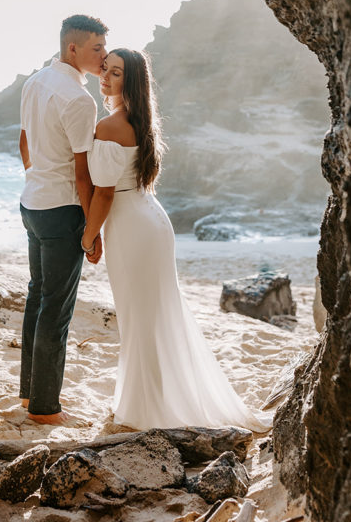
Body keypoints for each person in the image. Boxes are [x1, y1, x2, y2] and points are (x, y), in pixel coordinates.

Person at [81, 48, 273, 433]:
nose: (106, 77)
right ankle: (145, 401)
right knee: (153, 316)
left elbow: (102, 194)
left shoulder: (110, 126)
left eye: (116, 73)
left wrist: (88, 238)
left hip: (131, 226)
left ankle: (144, 409)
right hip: (148, 218)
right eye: (105, 69)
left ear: (131, 81)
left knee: (141, 318)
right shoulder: (141, 120)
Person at [18, 14, 108, 424]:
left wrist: (36, 179)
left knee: (38, 298)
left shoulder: (34, 82)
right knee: (56, 310)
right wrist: (92, 231)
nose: (103, 56)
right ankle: (45, 409)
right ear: (72, 48)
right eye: (96, 48)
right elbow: (82, 173)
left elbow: (24, 140)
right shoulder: (79, 99)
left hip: (33, 203)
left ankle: (28, 396)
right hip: (60, 211)